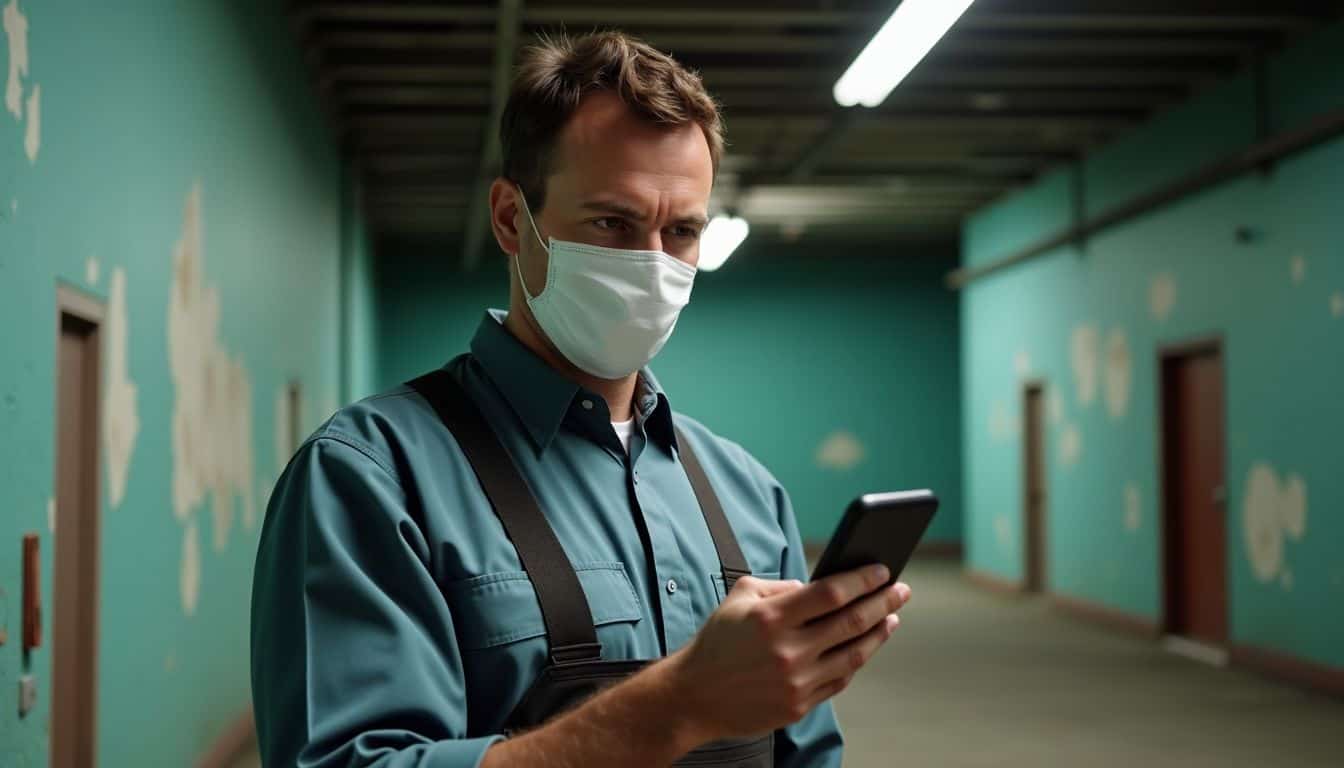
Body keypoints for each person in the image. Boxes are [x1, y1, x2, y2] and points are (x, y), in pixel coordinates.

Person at [251, 30, 910, 768]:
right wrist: (676, 706)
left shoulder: (748, 493)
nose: (651, 265)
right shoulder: (371, 479)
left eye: (682, 231)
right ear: (511, 219)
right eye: (612, 223)